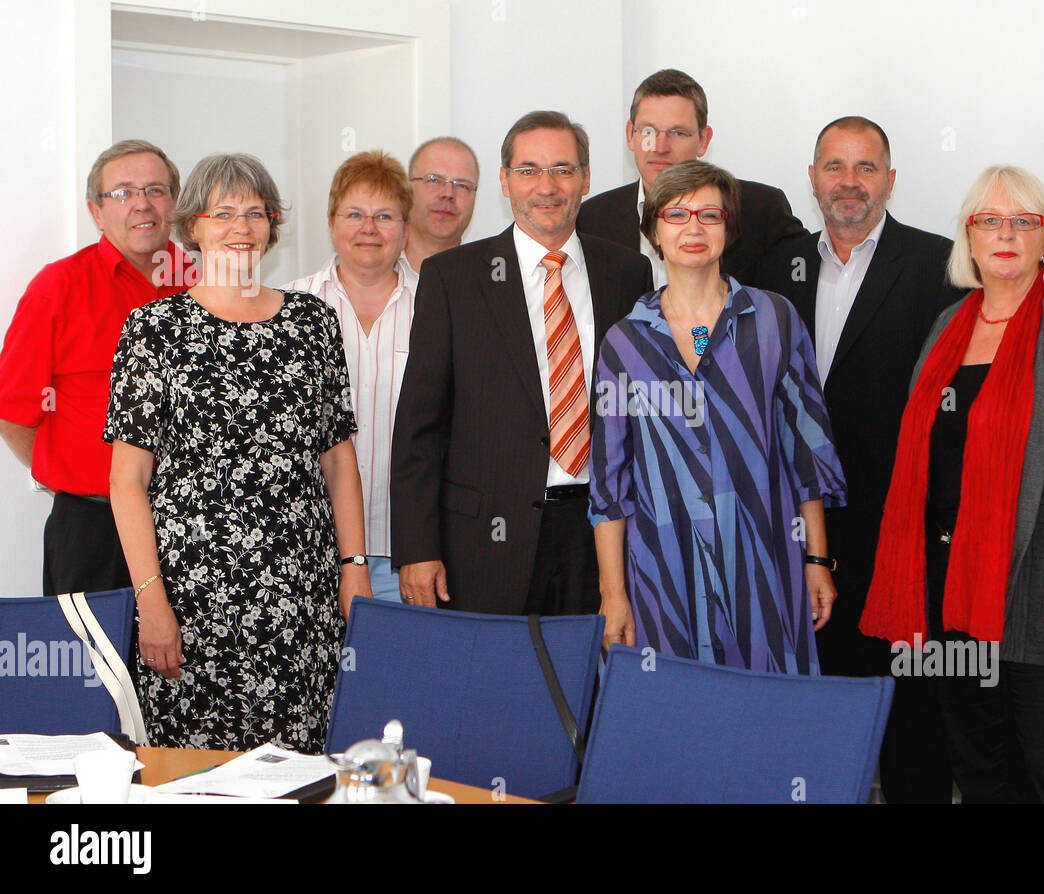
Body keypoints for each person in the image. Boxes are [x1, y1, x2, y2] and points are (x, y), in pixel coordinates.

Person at [861, 165, 1044, 803]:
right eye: (989, 221)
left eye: (1024, 220)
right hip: (954, 596)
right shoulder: (948, 328)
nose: (1006, 234)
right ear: (969, 237)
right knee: (984, 773)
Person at [106, 153, 371, 752]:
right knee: (195, 777)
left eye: (256, 213)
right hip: (190, 599)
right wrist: (152, 602)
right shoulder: (154, 330)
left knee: (300, 770)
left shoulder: (312, 322)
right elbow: (128, 481)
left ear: (273, 226)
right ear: (192, 226)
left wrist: (353, 568)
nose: (241, 227)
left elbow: (338, 459)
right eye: (223, 212)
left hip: (300, 595)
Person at [763, 116, 964, 799]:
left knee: (912, 724)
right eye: (834, 166)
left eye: (866, 167)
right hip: (795, 532)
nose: (849, 182)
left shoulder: (941, 266)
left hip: (901, 535)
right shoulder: (773, 269)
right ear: (814, 177)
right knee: (812, 716)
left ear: (891, 179)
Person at [391, 111, 652, 616]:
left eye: (563, 169)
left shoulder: (627, 272)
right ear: (506, 181)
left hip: (604, 535)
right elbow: (420, 428)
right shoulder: (454, 278)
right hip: (484, 541)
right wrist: (418, 550)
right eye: (529, 170)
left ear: (587, 177)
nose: (547, 186)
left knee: (590, 689)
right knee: (492, 690)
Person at [590, 160, 846, 674]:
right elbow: (609, 483)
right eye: (676, 214)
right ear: (654, 231)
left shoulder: (774, 319)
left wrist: (816, 560)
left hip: (767, 562)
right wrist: (613, 595)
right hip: (663, 570)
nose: (693, 228)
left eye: (710, 214)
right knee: (677, 722)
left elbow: (807, 449)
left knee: (771, 715)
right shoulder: (624, 343)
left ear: (728, 229)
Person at [0, 139, 191, 596]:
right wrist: (78, 473)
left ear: (176, 203)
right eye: (122, 192)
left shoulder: (205, 287)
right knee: (92, 666)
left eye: (155, 190)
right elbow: (12, 411)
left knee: (188, 668)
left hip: (192, 529)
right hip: (93, 532)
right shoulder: (58, 288)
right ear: (96, 211)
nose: (141, 204)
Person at [283, 150, 418, 603]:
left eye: (385, 216)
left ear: (405, 228)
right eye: (354, 214)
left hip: (408, 554)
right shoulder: (288, 308)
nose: (369, 229)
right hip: (310, 548)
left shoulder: (439, 307)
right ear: (330, 222)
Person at [577, 69, 806, 290]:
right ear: (630, 135)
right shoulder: (592, 219)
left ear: (704, 140)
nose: (660, 147)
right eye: (648, 131)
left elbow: (804, 279)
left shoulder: (761, 209)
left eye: (678, 133)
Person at [405, 137, 479, 271]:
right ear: (408, 189)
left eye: (462, 185)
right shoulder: (366, 268)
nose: (448, 193)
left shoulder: (491, 282)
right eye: (433, 180)